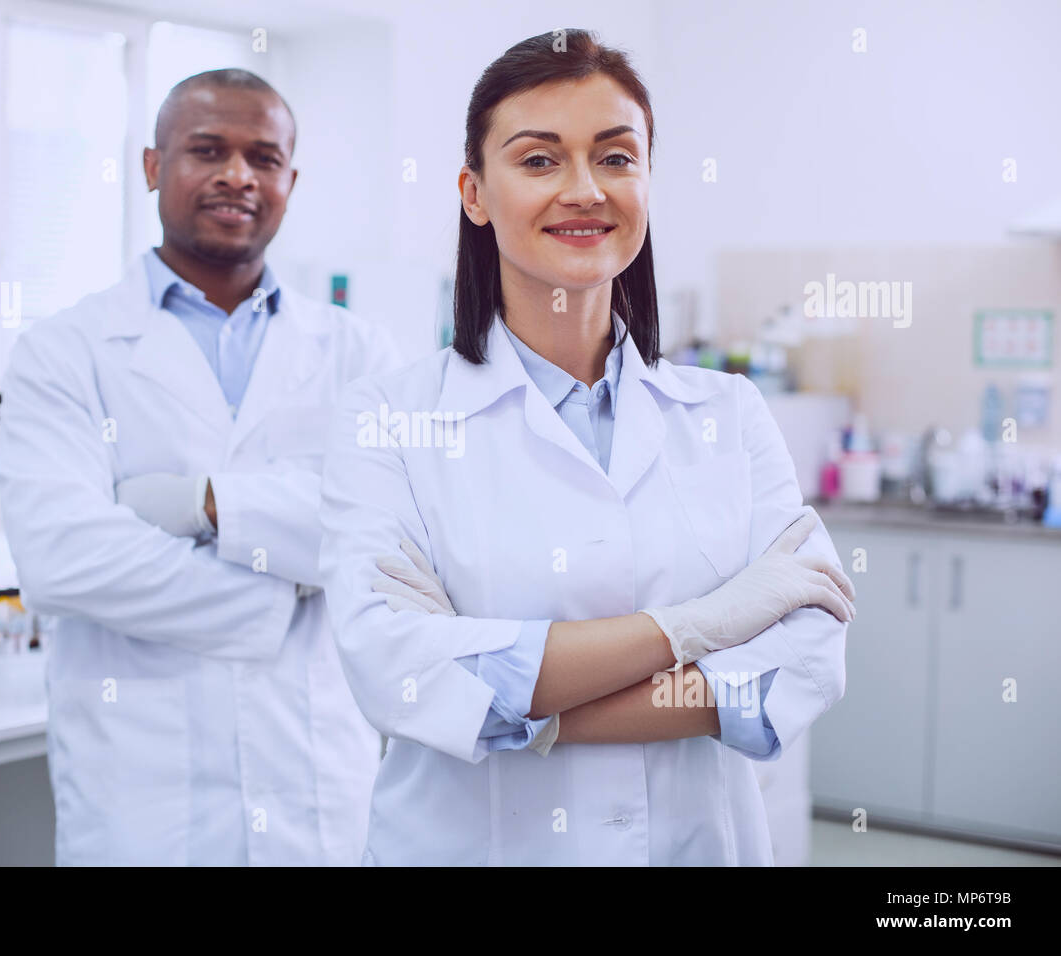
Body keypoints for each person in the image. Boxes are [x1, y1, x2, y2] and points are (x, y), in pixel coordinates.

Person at [318, 30, 855, 865]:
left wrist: (519, 702)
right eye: (538, 161)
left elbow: (803, 660)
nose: (583, 190)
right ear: (474, 192)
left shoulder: (729, 413)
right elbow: (398, 673)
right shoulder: (389, 417)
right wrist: (706, 624)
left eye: (615, 158)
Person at [0, 69, 402, 865]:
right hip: (143, 806)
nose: (237, 176)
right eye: (206, 150)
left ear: (290, 179)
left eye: (263, 157)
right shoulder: (63, 352)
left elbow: (390, 539)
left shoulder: (359, 353)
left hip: (315, 795)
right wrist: (278, 593)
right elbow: (61, 559)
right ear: (152, 166)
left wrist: (199, 504)